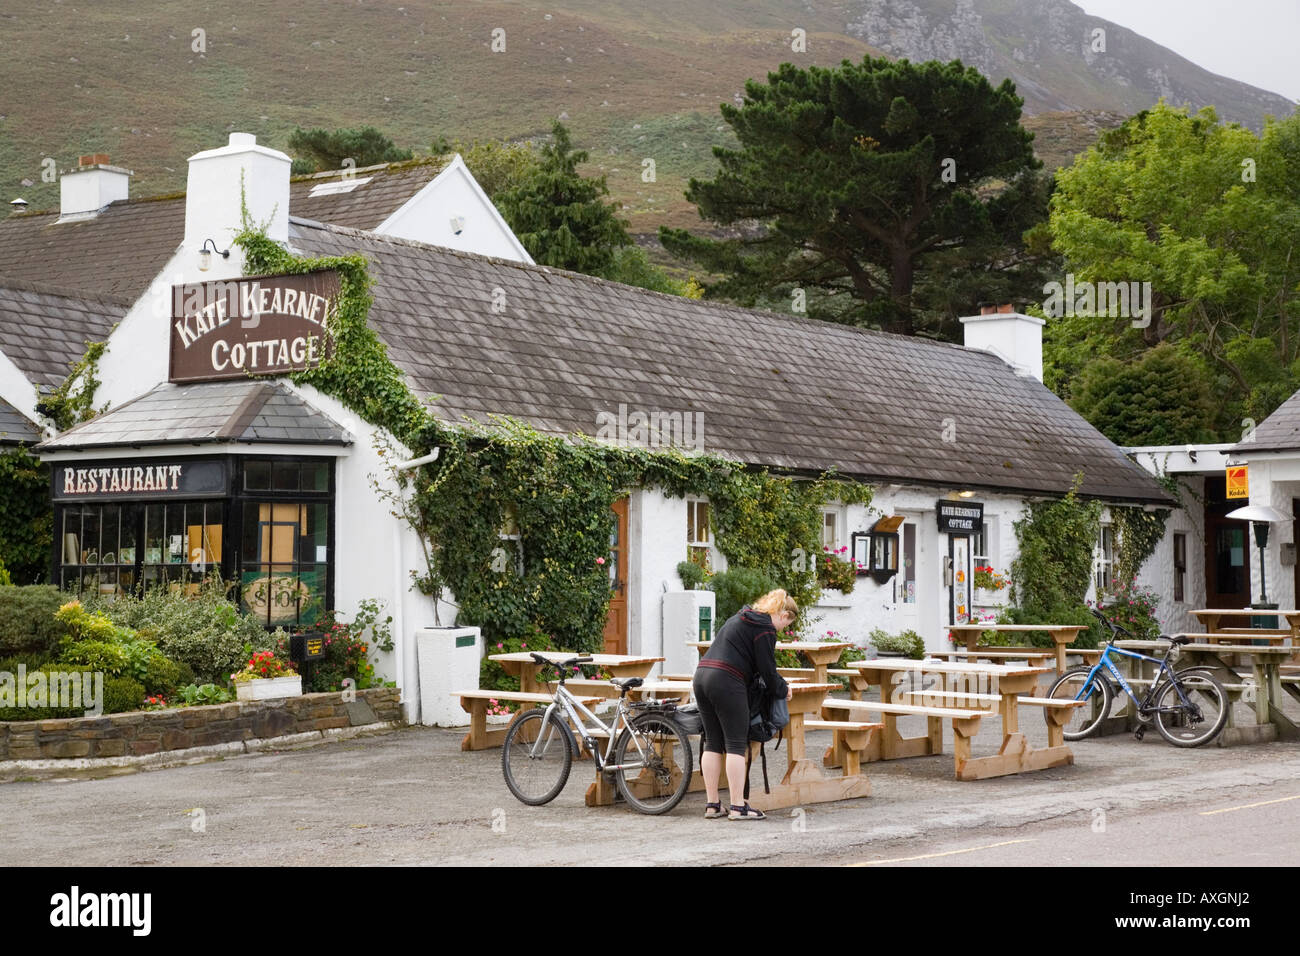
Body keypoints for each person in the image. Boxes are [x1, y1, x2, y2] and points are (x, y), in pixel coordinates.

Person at [692, 588, 795, 820]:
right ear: (783, 614)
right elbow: (767, 671)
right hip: (727, 681)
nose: (784, 629)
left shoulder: (741, 616)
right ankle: (738, 807)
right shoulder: (765, 627)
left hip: (702, 676)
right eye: (787, 624)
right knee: (737, 744)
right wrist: (783, 689)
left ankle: (713, 805)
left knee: (712, 742)